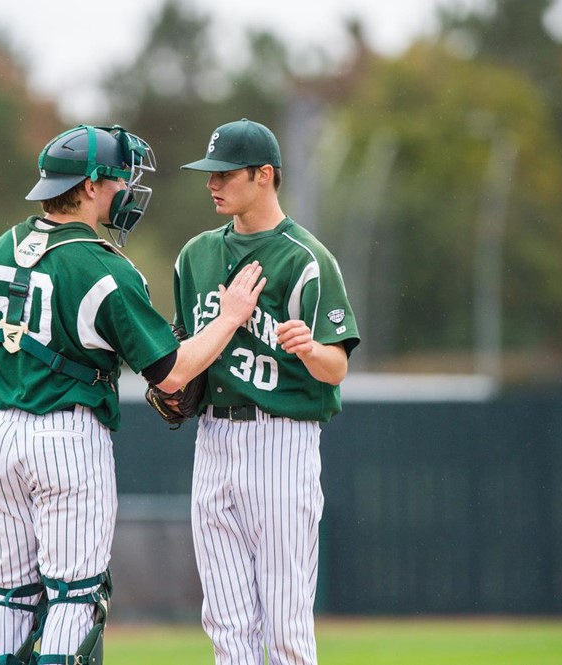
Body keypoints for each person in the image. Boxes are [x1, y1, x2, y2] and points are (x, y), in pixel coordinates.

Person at [0, 123, 266, 665]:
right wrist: (231, 318)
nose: (126, 191)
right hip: (66, 437)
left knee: (9, 598)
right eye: (120, 179)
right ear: (91, 184)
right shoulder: (104, 267)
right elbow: (171, 373)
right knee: (76, 597)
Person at [174, 118, 360, 665]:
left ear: (265, 176)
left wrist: (309, 348)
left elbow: (336, 369)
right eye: (209, 173)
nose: (212, 183)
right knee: (227, 624)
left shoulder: (306, 258)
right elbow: (186, 347)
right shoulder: (195, 256)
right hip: (212, 437)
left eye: (226, 174)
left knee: (284, 626)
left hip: (281, 439)